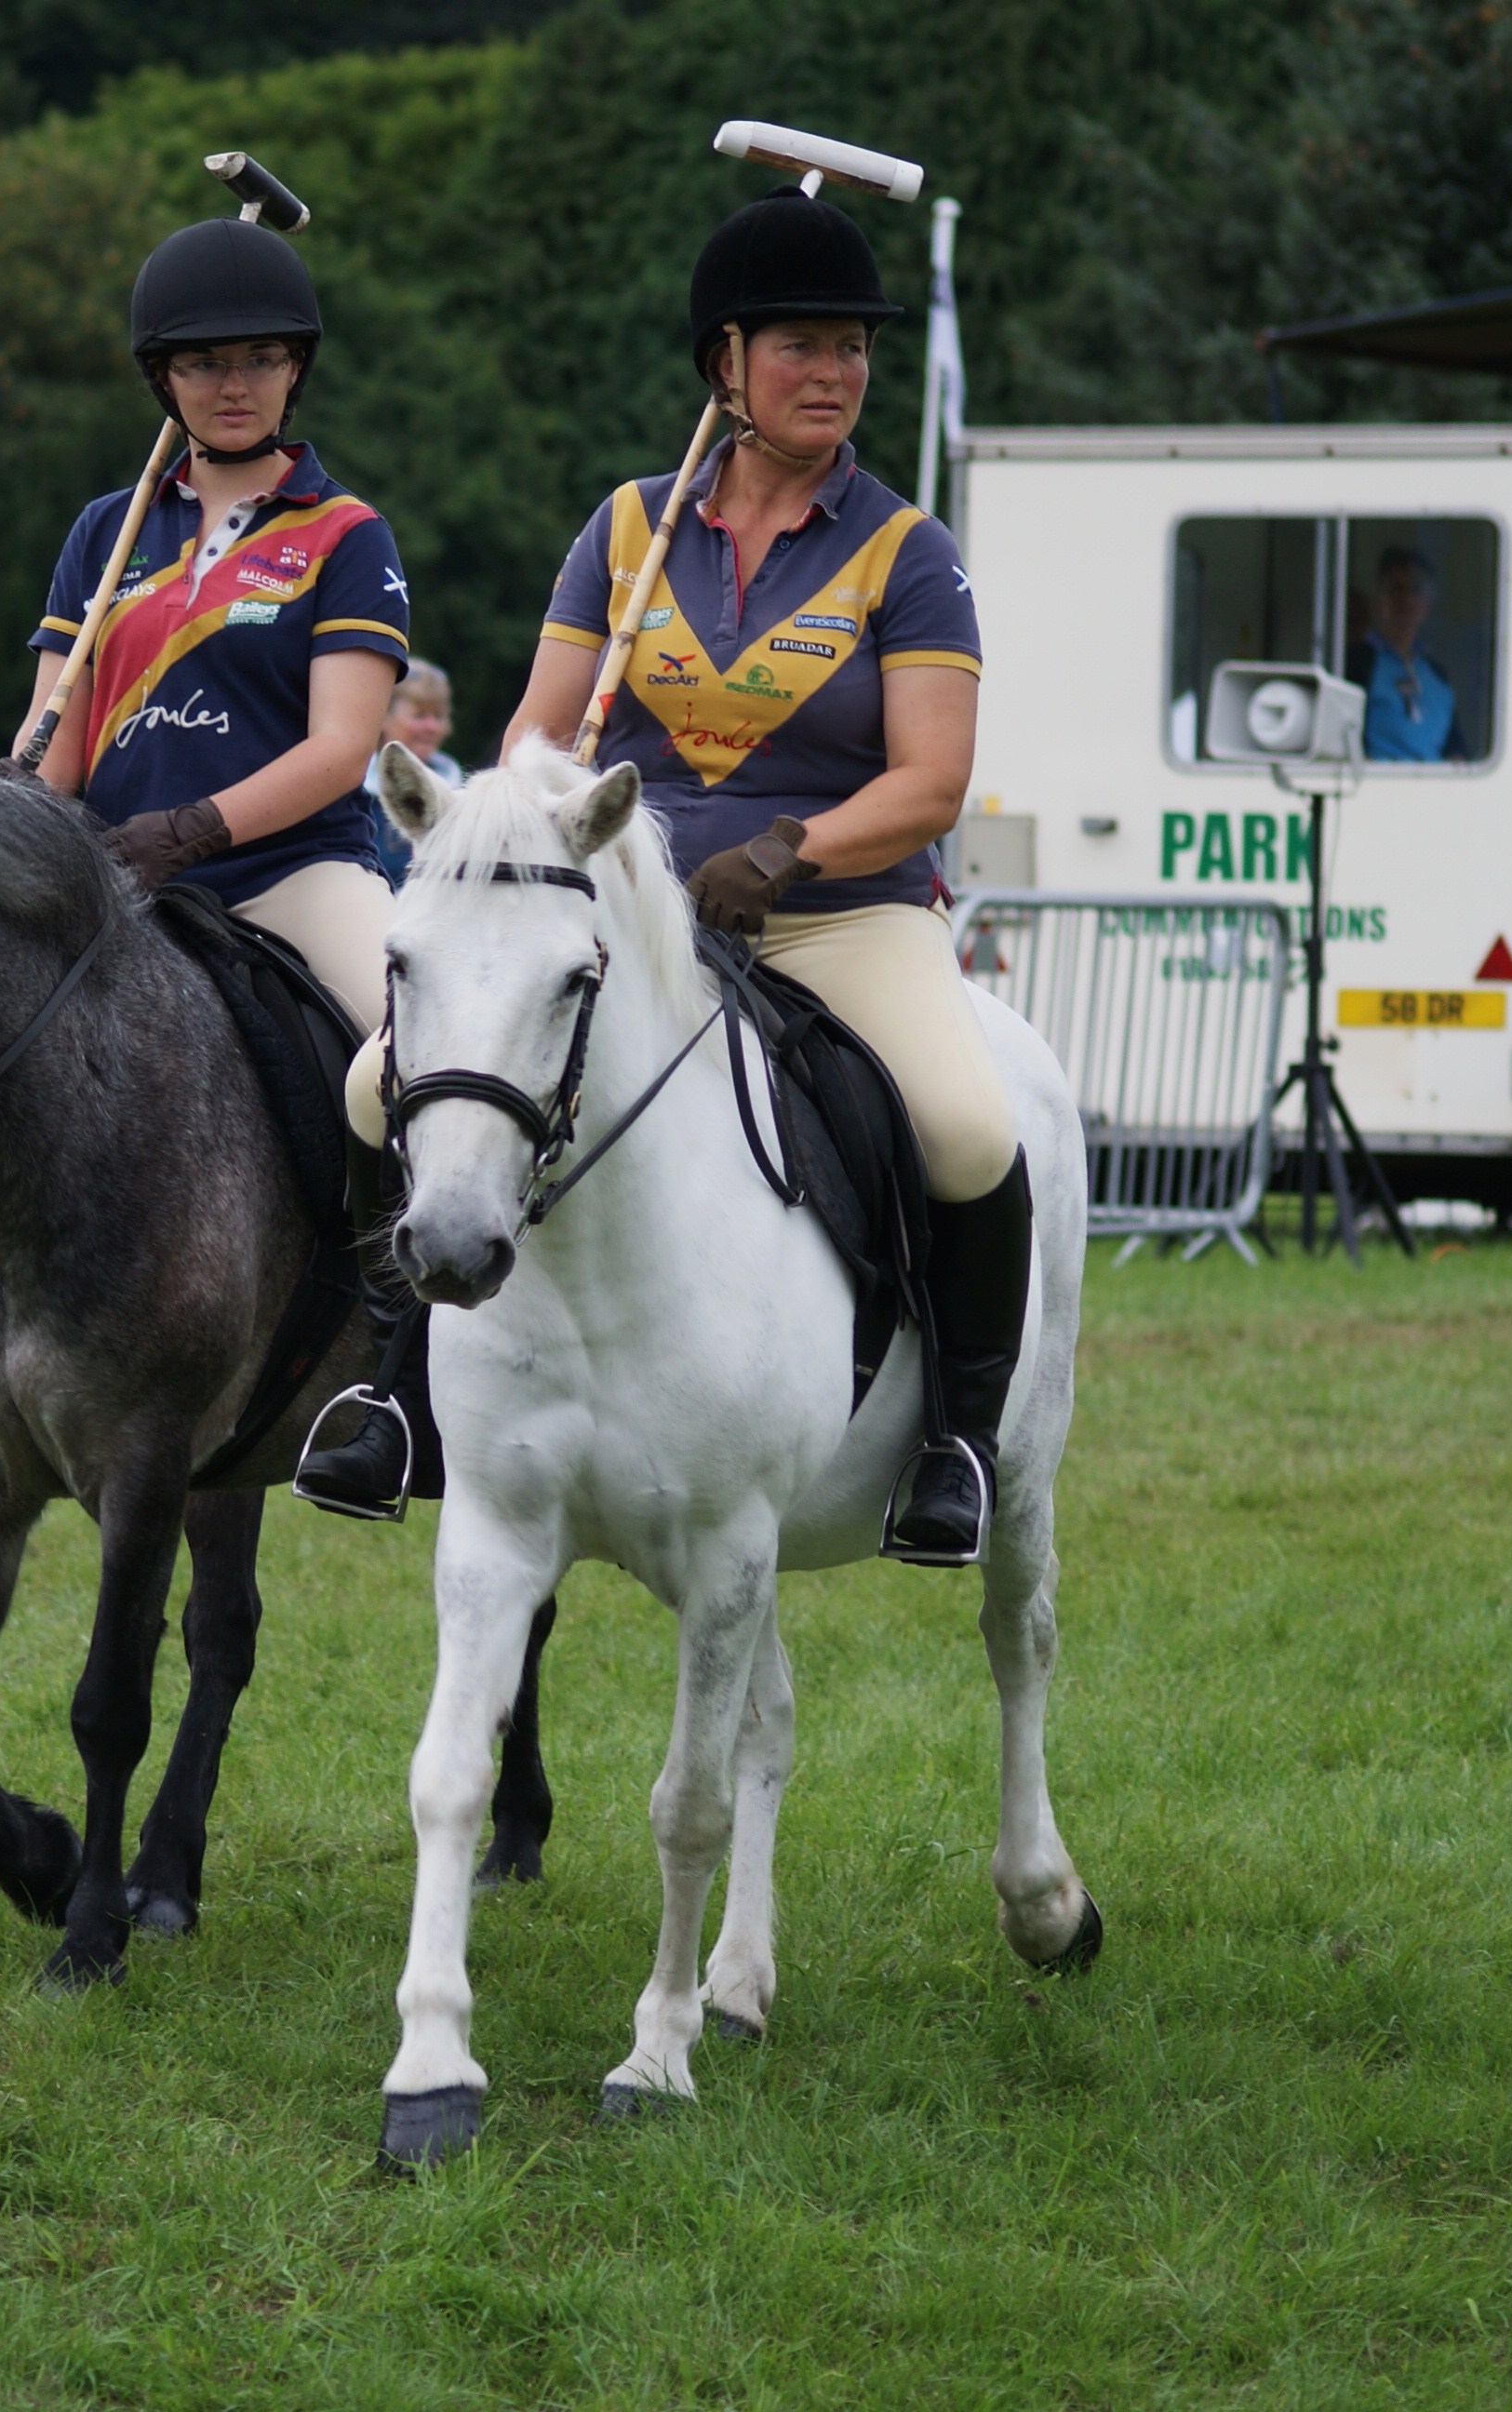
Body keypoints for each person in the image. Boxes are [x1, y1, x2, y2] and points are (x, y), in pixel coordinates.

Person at [491, 190, 1026, 1566]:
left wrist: (787, 851)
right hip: (636, 912)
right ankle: (395, 1396)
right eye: (802, 345)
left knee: (968, 1129)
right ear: (724, 363)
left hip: (839, 917)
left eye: (852, 348)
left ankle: (956, 1440)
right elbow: (539, 738)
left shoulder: (910, 553)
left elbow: (931, 782)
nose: (836, 373)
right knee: (391, 1082)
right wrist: (574, 838)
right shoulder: (626, 532)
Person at [0, 210, 412, 1462]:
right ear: (162, 377)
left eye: (261, 359)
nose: (234, 383)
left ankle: (398, 1354)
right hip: (106, 881)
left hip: (293, 875)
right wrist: (11, 810)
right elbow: (53, 732)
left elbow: (340, 747)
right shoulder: (107, 532)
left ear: (295, 372)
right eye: (206, 362)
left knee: (408, 1052)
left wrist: (193, 826)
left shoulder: (345, 535)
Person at [1347, 545, 1465, 763]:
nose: (1406, 600)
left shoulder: (1436, 673)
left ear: (1429, 602)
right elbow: (1344, 739)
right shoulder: (1356, 662)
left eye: (1416, 590)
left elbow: (1455, 749)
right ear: (1379, 597)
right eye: (1396, 589)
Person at [368, 657, 465, 886]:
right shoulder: (354, 794)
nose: (431, 727)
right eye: (419, 716)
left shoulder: (461, 794)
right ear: (384, 717)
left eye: (439, 716)